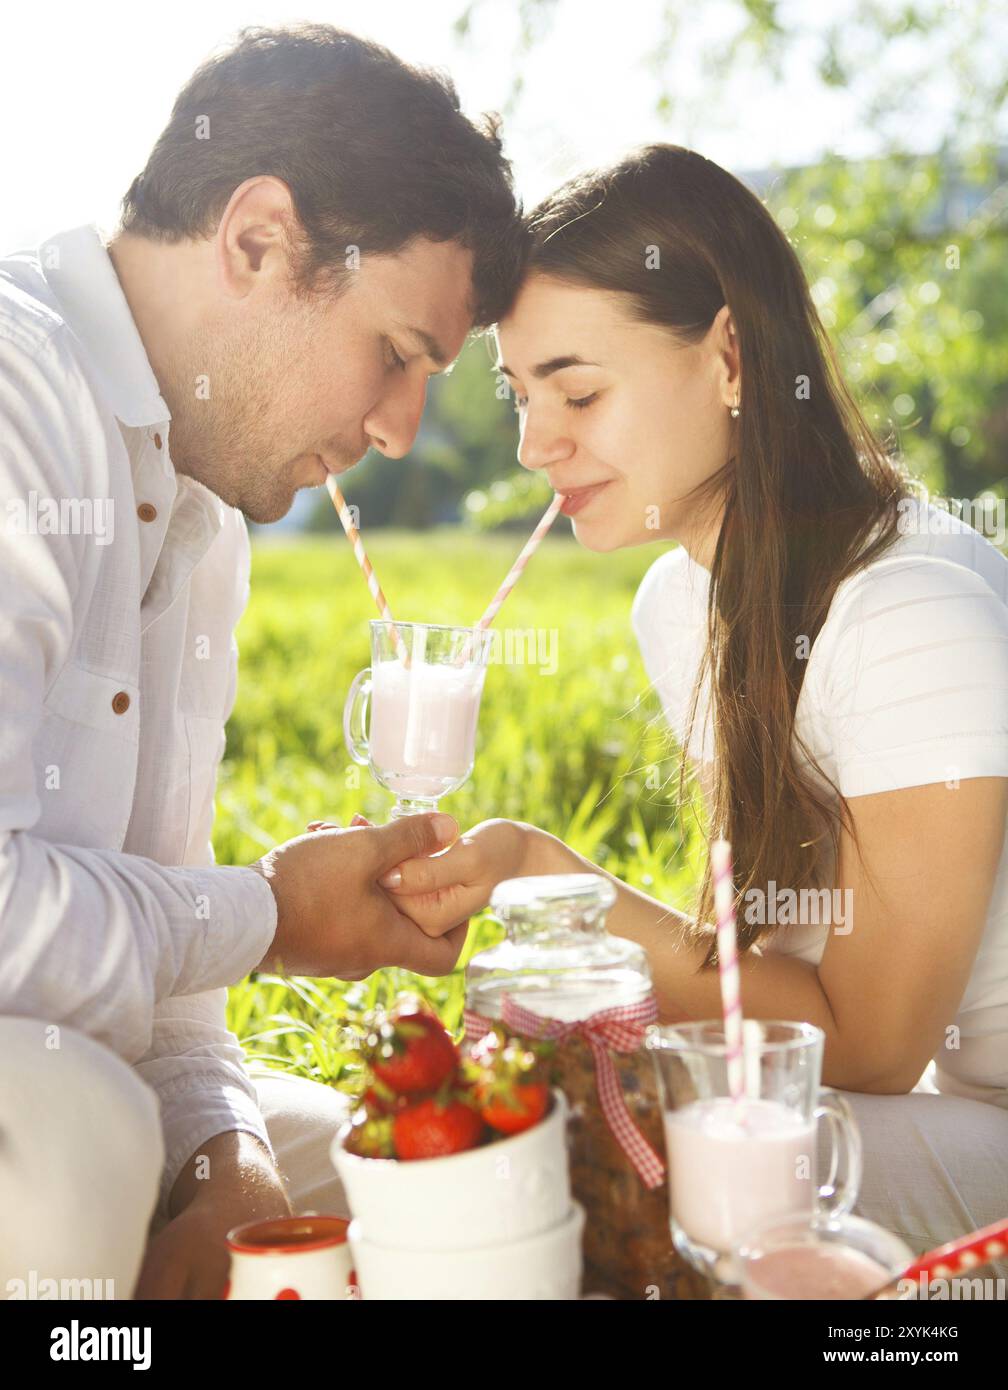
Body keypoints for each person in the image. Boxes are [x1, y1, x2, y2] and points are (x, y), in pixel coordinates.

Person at [381, 144, 1008, 1270]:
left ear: (730, 357)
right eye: (522, 398)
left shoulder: (908, 614)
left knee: (614, 1151)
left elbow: (863, 1047)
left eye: (579, 391)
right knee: (542, 1114)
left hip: (982, 1127)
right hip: (915, 1106)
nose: (537, 445)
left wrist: (559, 884)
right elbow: (756, 962)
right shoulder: (681, 600)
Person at [0, 23, 524, 1299]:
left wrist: (220, 1153)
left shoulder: (204, 519)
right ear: (256, 240)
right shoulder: (20, 399)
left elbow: (160, 930)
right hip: (53, 1111)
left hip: (79, 1067)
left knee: (435, 1185)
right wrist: (277, 916)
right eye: (398, 354)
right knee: (80, 1148)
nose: (402, 432)